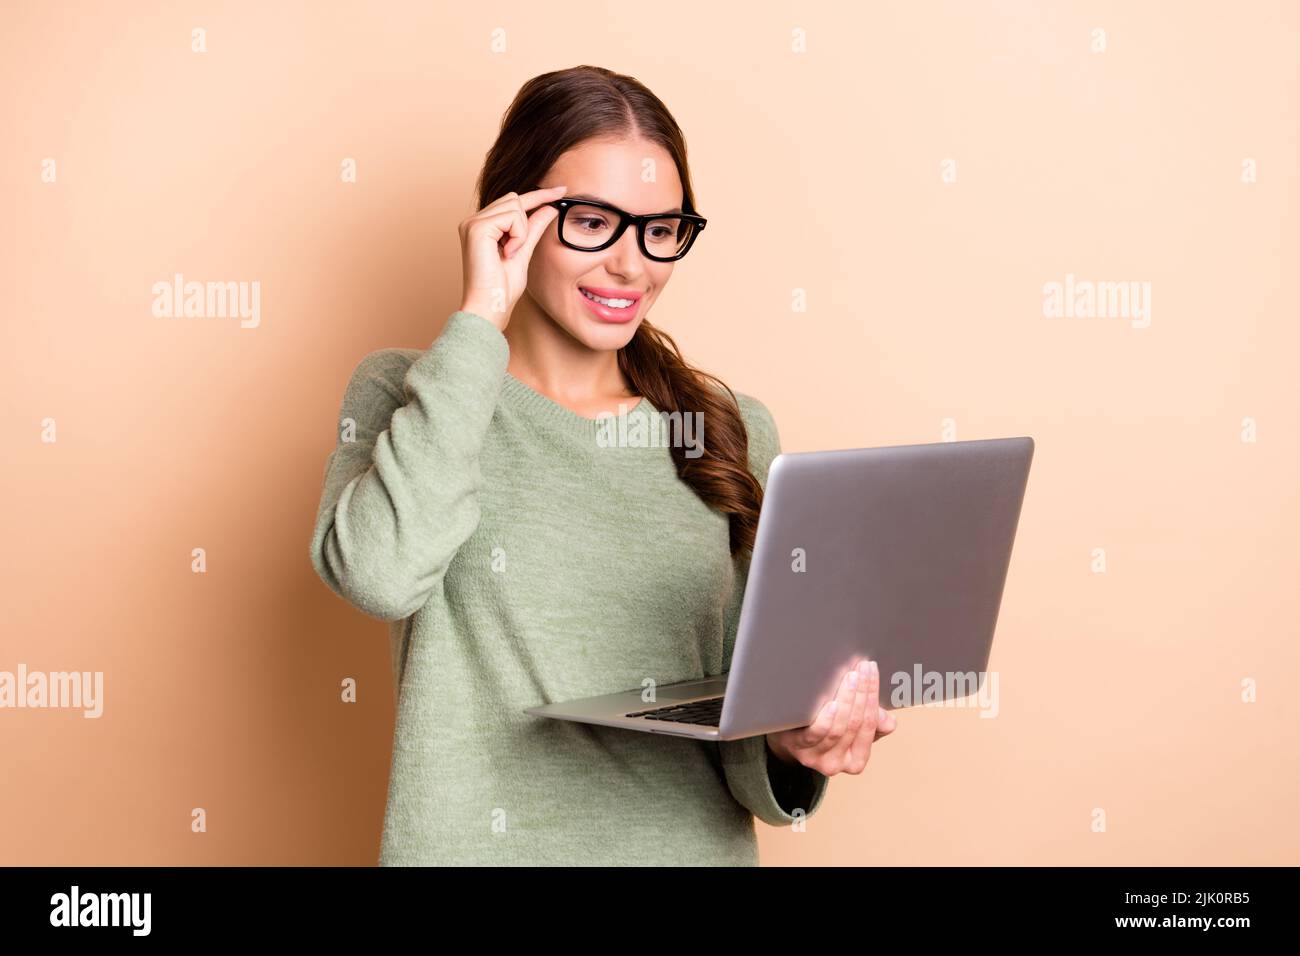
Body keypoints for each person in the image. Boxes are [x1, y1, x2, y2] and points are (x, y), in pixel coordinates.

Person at [309, 64, 897, 866]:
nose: (631, 265)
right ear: (511, 217)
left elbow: (740, 733)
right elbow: (379, 575)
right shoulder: (412, 391)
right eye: (593, 220)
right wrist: (481, 316)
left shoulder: (728, 430)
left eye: (660, 230)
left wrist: (796, 743)